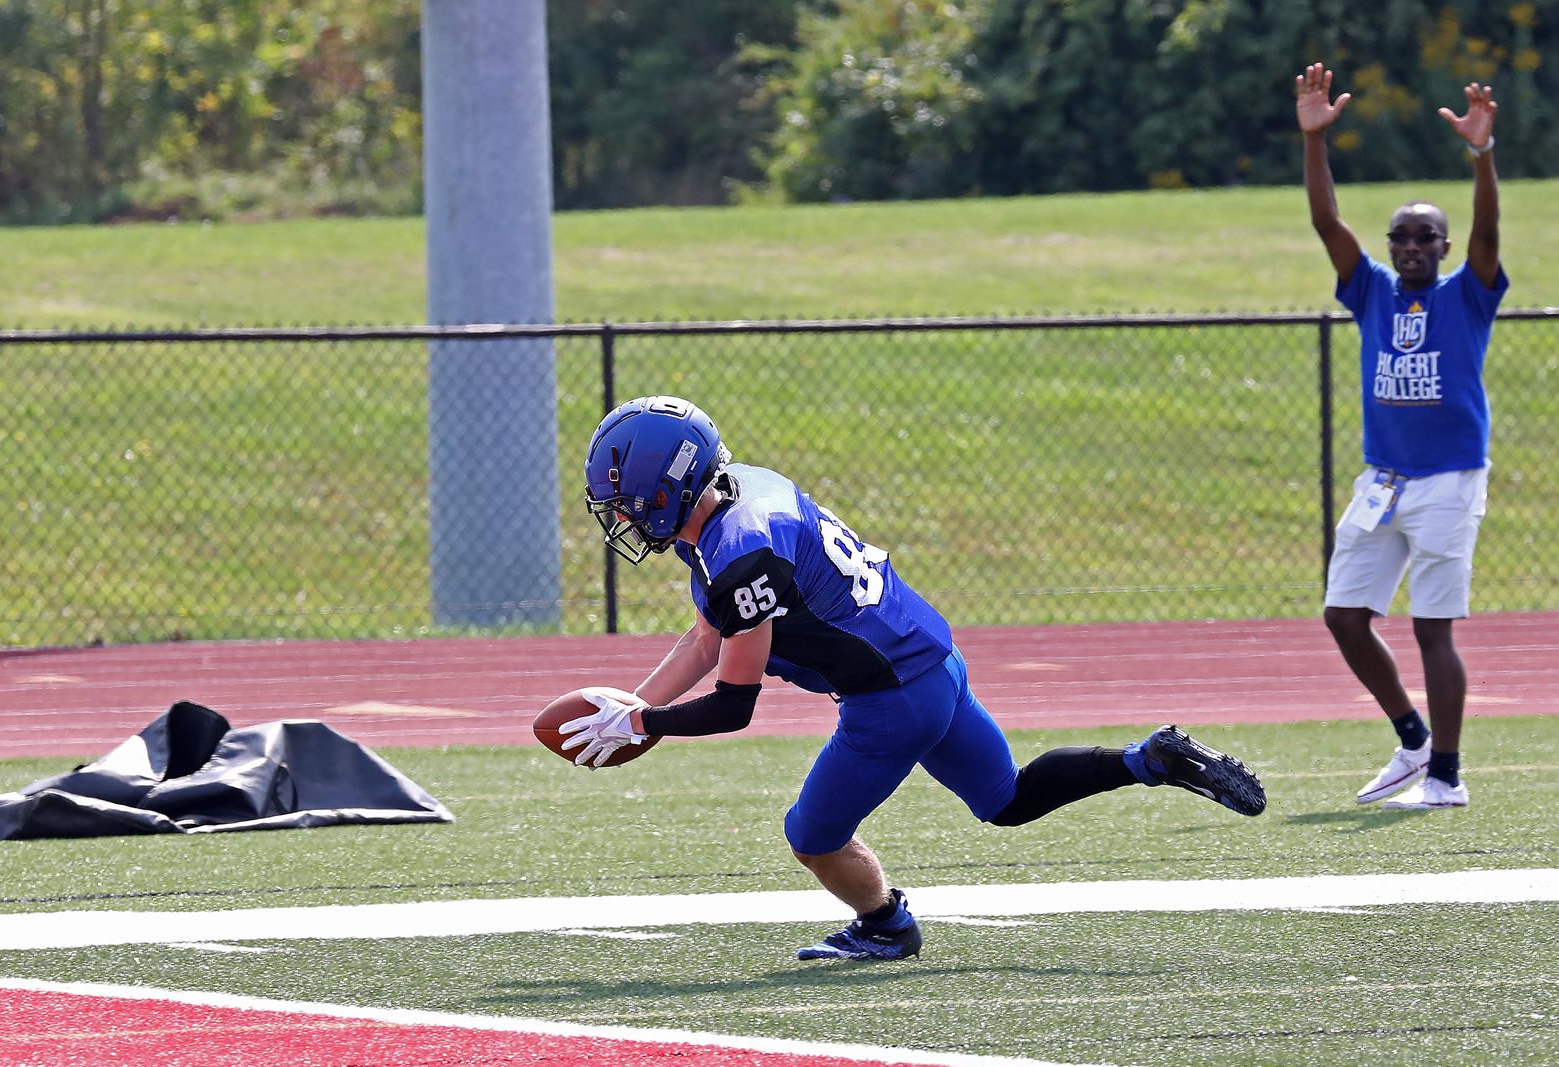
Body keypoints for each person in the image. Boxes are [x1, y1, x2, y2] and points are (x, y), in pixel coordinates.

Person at [557, 395, 1266, 962]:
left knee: (811, 834)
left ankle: (885, 923)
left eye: (627, 502)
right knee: (1005, 798)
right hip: (934, 661)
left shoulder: (742, 554)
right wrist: (639, 701)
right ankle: (1152, 759)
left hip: (889, 701)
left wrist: (642, 723)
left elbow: (735, 703)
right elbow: (709, 631)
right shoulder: (746, 495)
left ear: (670, 487)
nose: (621, 518)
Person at [1295, 63, 1507, 810]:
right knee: (1344, 615)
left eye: (1426, 236)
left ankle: (1446, 773)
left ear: (1444, 248)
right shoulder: (1373, 290)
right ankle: (1412, 736)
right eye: (1401, 237)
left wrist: (1482, 157)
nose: (1413, 245)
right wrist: (1316, 142)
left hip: (1449, 478)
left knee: (1431, 628)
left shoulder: (1468, 295)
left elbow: (1487, 230)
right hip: (1383, 479)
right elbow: (1327, 224)